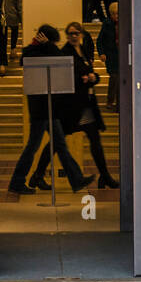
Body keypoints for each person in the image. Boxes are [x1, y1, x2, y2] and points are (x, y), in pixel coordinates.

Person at [6, 24, 95, 196]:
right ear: (43, 38)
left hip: (50, 108)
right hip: (40, 110)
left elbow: (61, 60)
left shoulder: (48, 49)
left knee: (60, 144)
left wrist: (48, 45)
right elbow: (25, 60)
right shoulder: (31, 50)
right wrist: (45, 45)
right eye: (51, 41)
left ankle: (76, 180)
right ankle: (17, 182)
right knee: (33, 146)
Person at [31, 21, 119, 189]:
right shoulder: (65, 53)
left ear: (81, 34)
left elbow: (91, 74)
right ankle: (37, 175)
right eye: (70, 33)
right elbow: (67, 78)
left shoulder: (84, 51)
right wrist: (85, 79)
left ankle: (105, 176)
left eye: (76, 33)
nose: (73, 36)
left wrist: (93, 78)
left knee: (94, 140)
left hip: (85, 106)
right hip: (70, 108)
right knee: (57, 142)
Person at [98, 1, 121, 111]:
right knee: (114, 77)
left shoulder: (125, 22)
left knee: (120, 79)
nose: (116, 16)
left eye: (118, 14)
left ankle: (119, 103)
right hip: (111, 56)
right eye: (114, 14)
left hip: (122, 56)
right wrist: (101, 53)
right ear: (110, 14)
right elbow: (100, 41)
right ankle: (110, 101)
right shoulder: (106, 24)